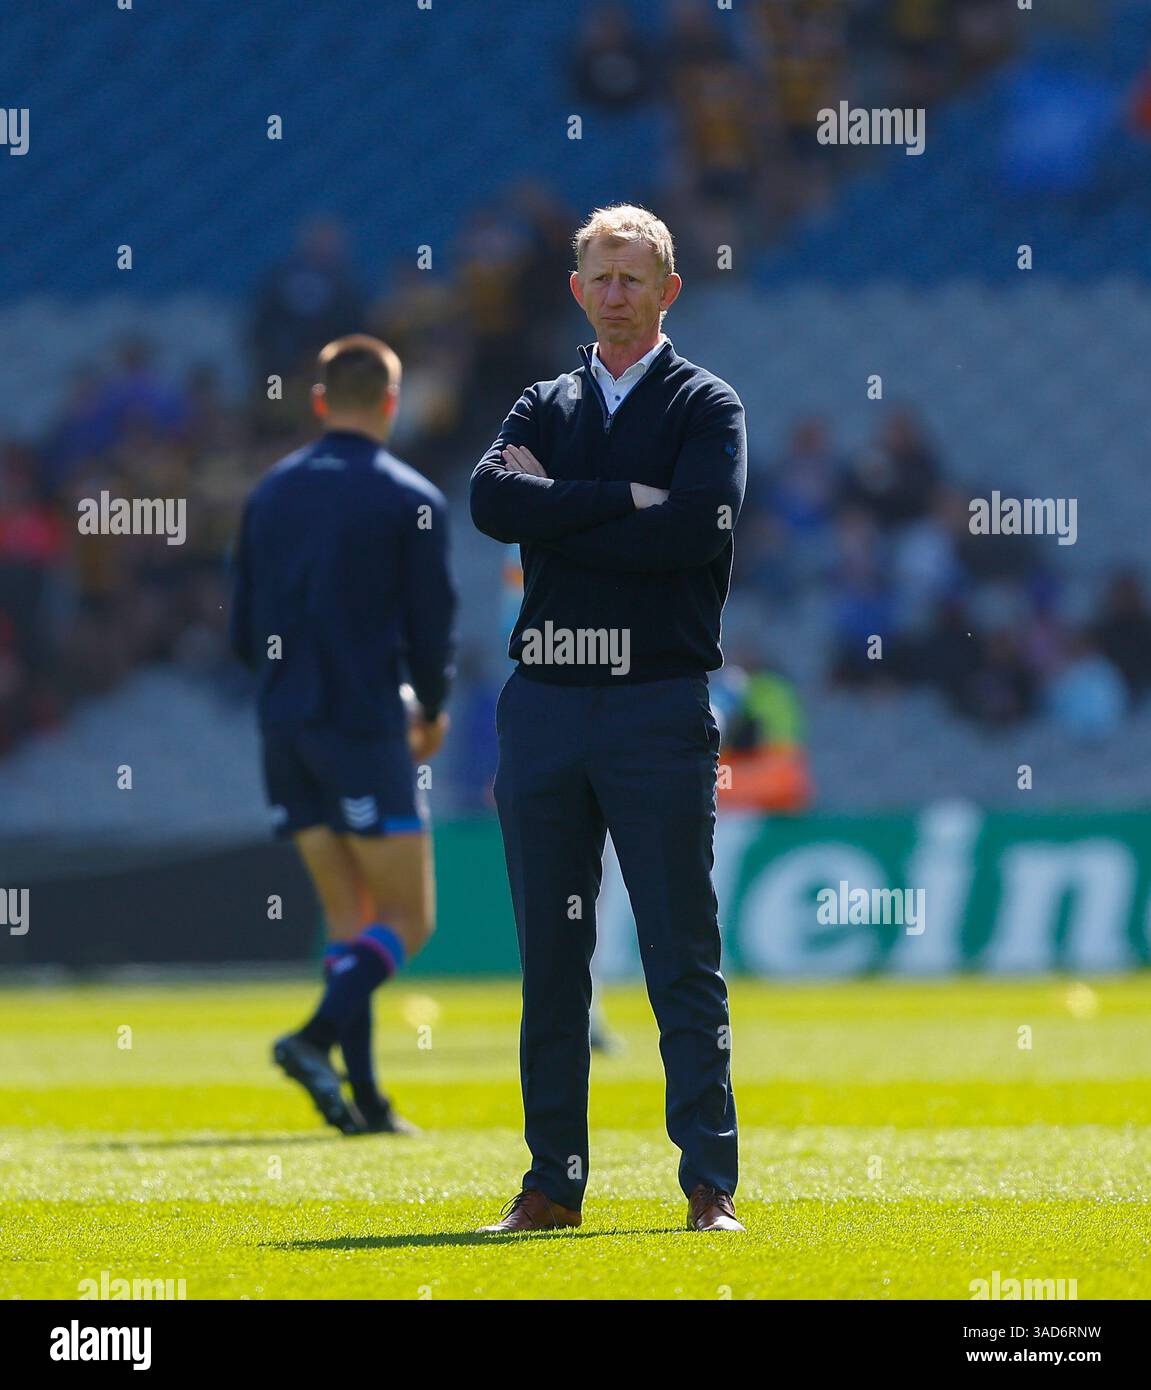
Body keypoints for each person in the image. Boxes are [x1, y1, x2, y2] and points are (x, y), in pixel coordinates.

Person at [470, 204, 746, 1233]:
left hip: (652, 700)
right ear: (576, 287)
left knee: (680, 947)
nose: (616, 291)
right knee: (551, 954)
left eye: (635, 276)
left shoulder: (703, 402)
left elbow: (695, 529)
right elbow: (488, 501)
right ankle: (551, 1185)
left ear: (667, 291)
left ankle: (706, 1184)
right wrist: (623, 498)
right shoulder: (543, 398)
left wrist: (568, 509)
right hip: (544, 699)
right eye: (600, 274)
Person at [230, 335, 456, 1135]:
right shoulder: (409, 497)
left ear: (320, 401)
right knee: (408, 919)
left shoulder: (269, 493)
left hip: (281, 726)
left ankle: (362, 1100)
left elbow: (238, 631)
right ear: (392, 402)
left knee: (347, 919)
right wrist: (428, 707)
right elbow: (432, 625)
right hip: (361, 725)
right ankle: (311, 1038)